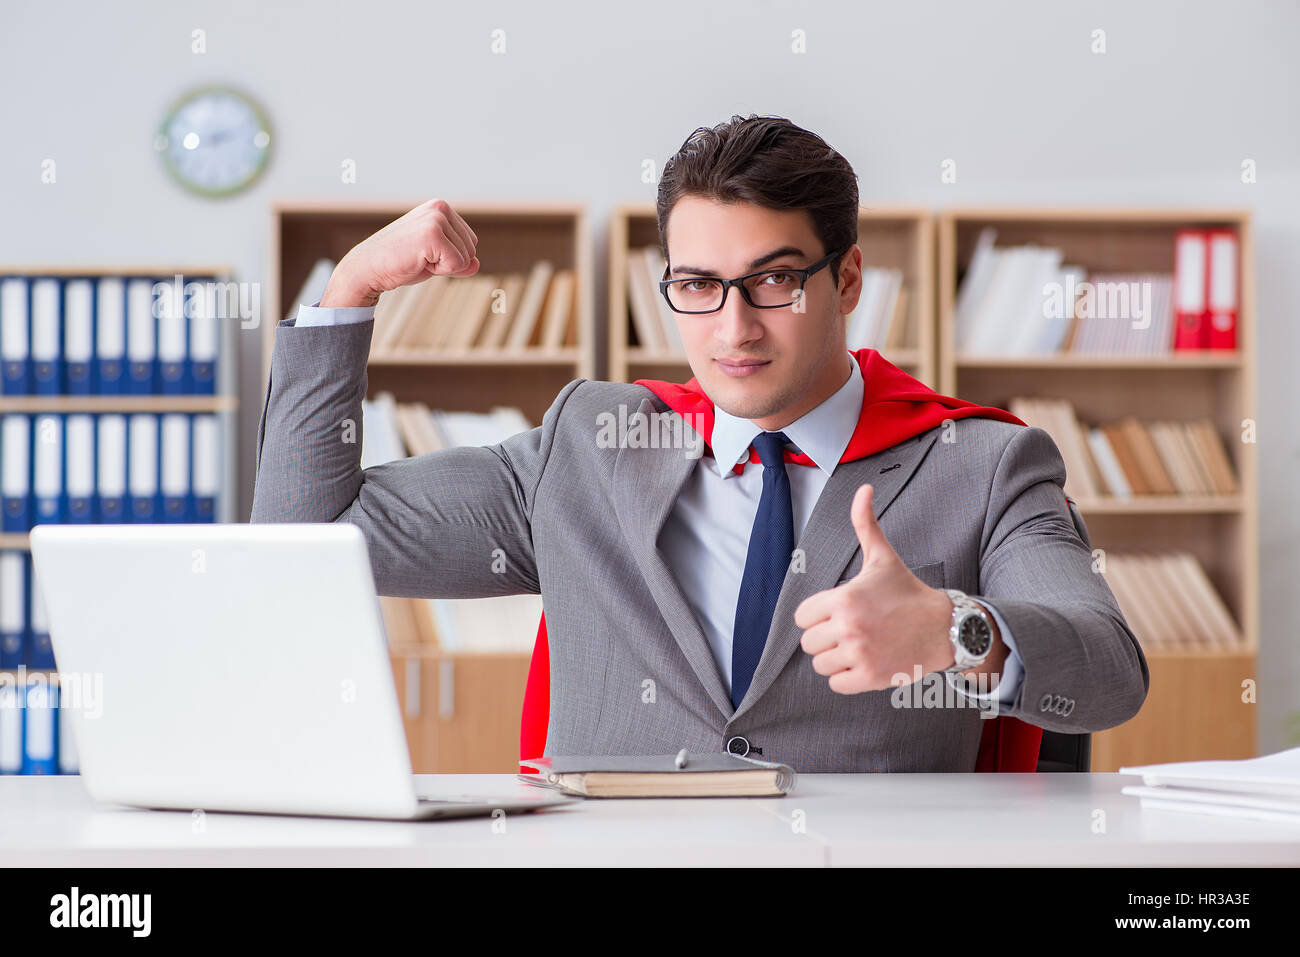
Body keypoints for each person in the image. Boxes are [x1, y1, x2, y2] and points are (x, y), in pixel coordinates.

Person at [251, 114, 1147, 772]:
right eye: (698, 285)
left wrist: (957, 630)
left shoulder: (982, 465)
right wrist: (353, 288)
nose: (734, 329)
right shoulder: (589, 448)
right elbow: (308, 526)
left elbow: (1109, 672)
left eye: (774, 281)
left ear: (849, 279)